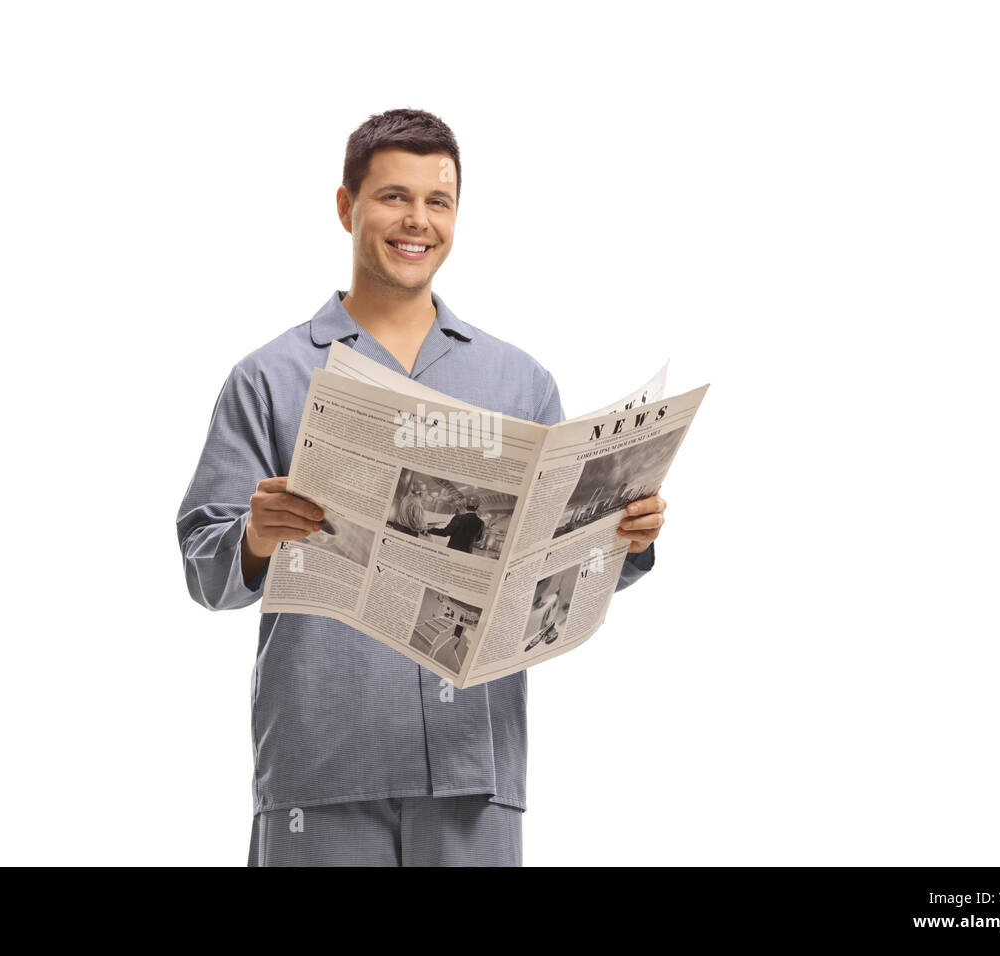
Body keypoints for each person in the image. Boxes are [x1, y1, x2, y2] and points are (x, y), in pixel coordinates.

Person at [176, 108, 666, 867]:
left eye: (438, 201)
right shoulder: (268, 379)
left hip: (474, 774)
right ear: (347, 207)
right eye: (393, 197)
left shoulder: (518, 380)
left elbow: (554, 569)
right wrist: (255, 536)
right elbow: (205, 565)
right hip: (321, 771)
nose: (418, 221)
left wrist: (622, 535)